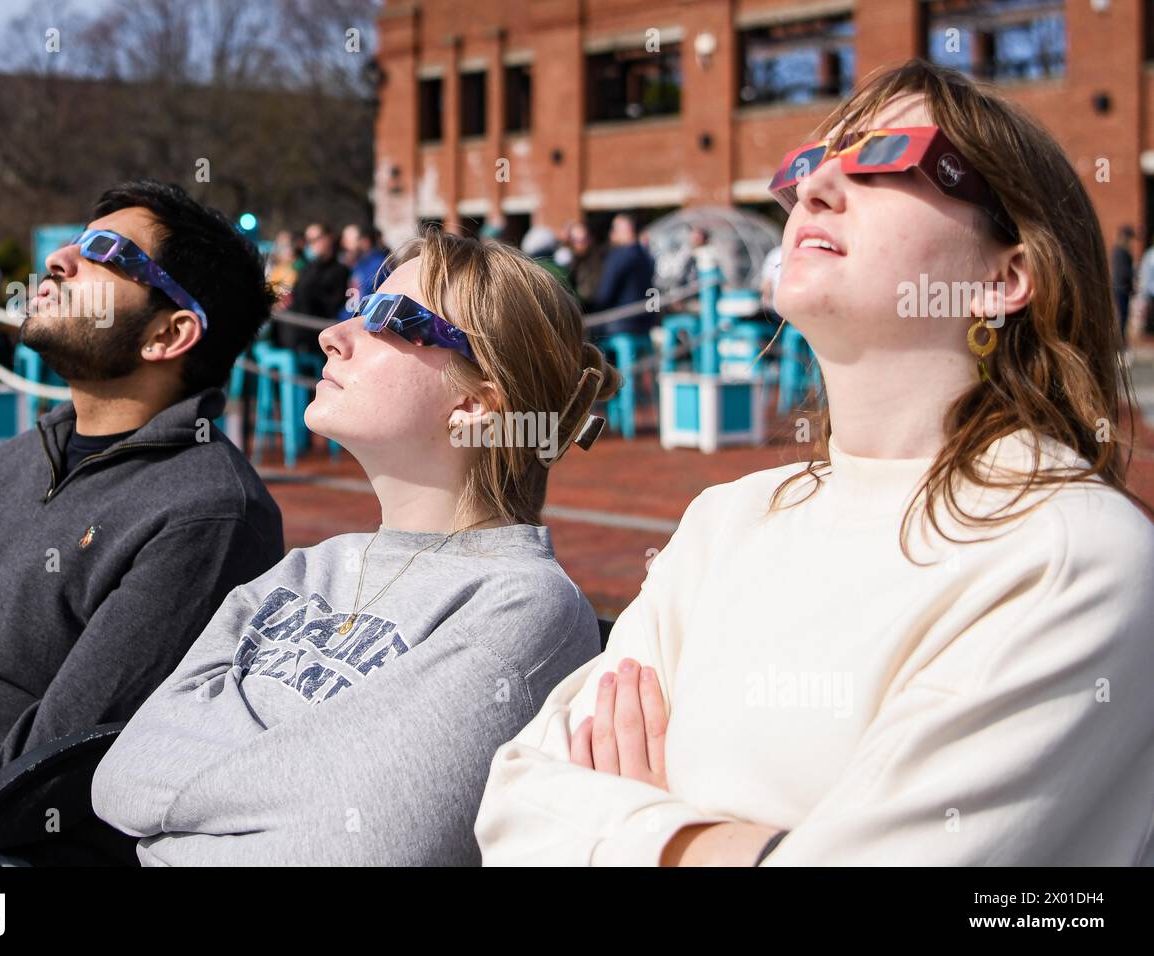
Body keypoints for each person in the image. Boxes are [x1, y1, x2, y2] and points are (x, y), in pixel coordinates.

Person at [475, 59, 1154, 866]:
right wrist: (747, 847)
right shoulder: (726, 518)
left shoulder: (1066, 551)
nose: (815, 186)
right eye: (809, 162)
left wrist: (643, 833)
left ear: (1004, 277)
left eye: (885, 155)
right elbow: (512, 801)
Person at [91, 227, 619, 865]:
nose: (333, 336)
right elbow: (118, 778)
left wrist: (193, 790)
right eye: (355, 308)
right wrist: (287, 785)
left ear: (474, 404)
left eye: (388, 318)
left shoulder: (522, 605)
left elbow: (354, 844)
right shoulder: (306, 568)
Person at [0, 179, 285, 866]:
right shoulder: (10, 465)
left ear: (169, 334)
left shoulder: (205, 512)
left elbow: (46, 774)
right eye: (77, 245)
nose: (59, 262)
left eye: (106, 253)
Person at [274, 226, 349, 349]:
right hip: (295, 331)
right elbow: (297, 296)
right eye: (309, 240)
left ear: (329, 238)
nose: (312, 244)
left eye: (316, 239)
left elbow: (332, 305)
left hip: (316, 333)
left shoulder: (341, 270)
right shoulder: (307, 268)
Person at [593, 212, 655, 336]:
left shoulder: (619, 256)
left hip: (623, 323)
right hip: (645, 322)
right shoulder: (646, 255)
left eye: (614, 229)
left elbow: (605, 294)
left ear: (626, 230)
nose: (611, 233)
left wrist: (594, 309)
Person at [1110, 225, 1135, 348]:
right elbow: (1123, 272)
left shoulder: (1118, 250)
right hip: (1121, 288)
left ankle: (1120, 341)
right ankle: (1120, 342)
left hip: (1120, 288)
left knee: (1122, 316)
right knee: (1122, 316)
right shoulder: (1121, 251)